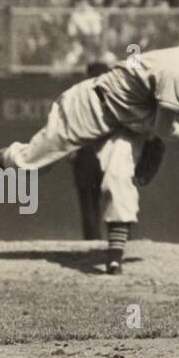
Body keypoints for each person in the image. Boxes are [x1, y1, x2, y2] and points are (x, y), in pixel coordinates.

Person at [0, 16, 179, 274]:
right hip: (92, 106)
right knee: (30, 166)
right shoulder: (178, 69)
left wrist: (153, 137)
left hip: (128, 122)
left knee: (119, 175)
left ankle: (114, 256)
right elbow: (164, 126)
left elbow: (166, 117)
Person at [71, 61, 112, 241]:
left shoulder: (77, 97)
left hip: (86, 155)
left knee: (89, 202)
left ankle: (92, 242)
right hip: (108, 154)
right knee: (115, 199)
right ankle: (119, 240)